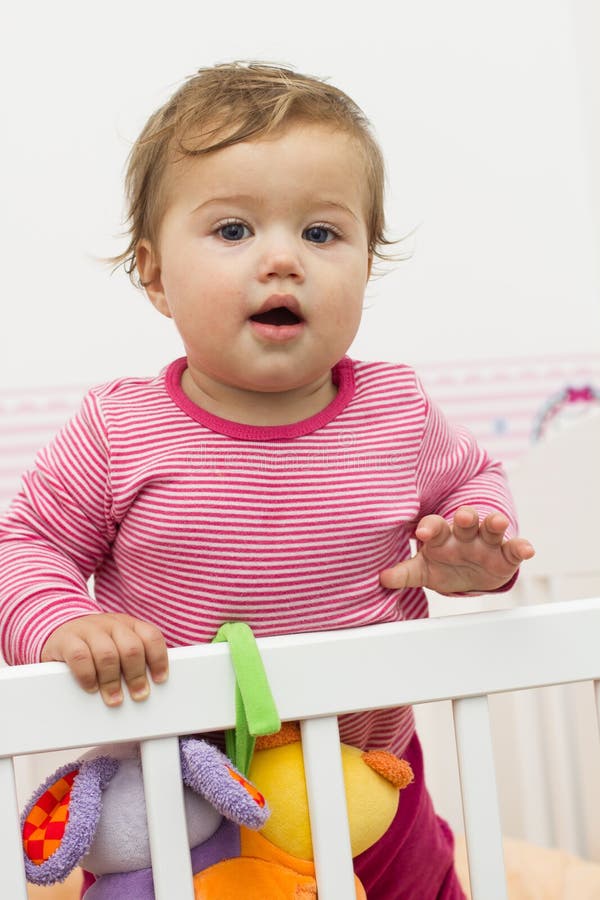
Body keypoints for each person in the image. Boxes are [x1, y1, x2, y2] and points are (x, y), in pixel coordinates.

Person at [0, 62, 534, 898]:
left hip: (370, 778)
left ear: (367, 263)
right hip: (182, 796)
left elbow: (475, 483)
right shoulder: (119, 430)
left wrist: (476, 548)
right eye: (234, 230)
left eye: (322, 234)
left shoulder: (397, 410)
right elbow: (25, 545)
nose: (283, 259)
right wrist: (67, 623)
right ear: (154, 276)